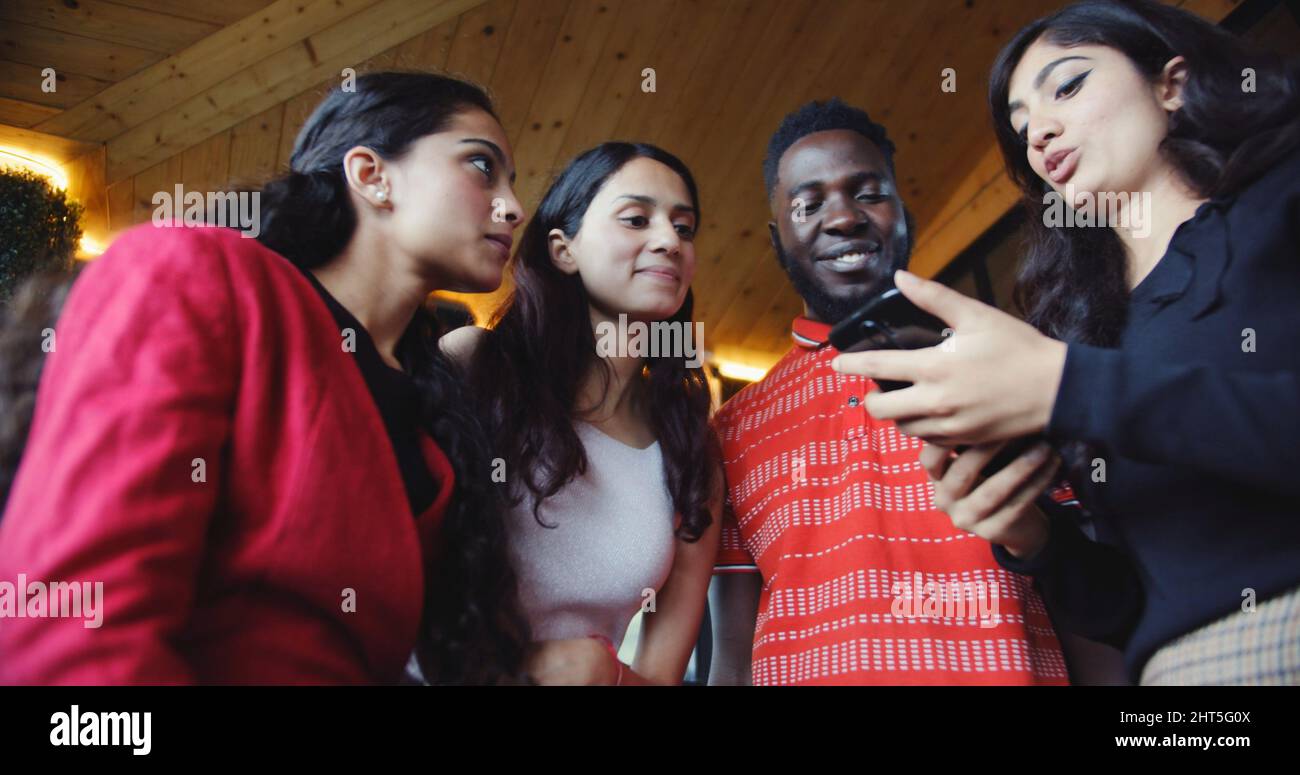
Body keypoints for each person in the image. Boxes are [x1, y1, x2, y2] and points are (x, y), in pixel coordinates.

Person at [0, 72, 533, 685]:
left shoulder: (434, 428)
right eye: (481, 166)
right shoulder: (199, 273)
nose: (513, 206)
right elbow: (75, 632)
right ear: (371, 175)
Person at [832, 0, 1300, 685]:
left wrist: (1065, 386)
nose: (1039, 133)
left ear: (1169, 84)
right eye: (1021, 129)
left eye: (1068, 85)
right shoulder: (1086, 332)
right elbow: (1127, 607)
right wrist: (1030, 535)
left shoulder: (1281, 202)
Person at [707, 98, 1069, 686]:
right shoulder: (732, 427)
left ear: (905, 213)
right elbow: (733, 654)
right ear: (777, 240)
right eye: (808, 204)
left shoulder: (1013, 361)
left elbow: (1081, 580)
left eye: (869, 192)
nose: (844, 217)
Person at [441, 142, 722, 686]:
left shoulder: (691, 447)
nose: (669, 241)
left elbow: (660, 678)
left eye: (684, 228)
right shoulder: (473, 363)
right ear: (562, 250)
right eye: (636, 219)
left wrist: (603, 672)